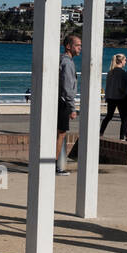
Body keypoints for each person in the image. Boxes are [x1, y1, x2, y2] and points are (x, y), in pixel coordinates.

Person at [56, 35, 82, 170]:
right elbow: (67, 87)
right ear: (68, 46)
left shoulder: (61, 60)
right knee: (61, 134)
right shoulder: (67, 62)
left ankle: (53, 164)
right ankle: (54, 165)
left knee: (57, 133)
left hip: (58, 101)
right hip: (63, 103)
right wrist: (72, 108)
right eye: (77, 45)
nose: (80, 48)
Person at [100, 53, 127, 137]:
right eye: (125, 60)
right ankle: (123, 137)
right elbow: (121, 87)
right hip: (119, 98)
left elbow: (107, 86)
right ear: (121, 61)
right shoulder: (122, 72)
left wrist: (106, 97)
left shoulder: (110, 72)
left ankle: (100, 133)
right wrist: (125, 94)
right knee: (124, 118)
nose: (126, 62)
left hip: (110, 97)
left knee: (109, 116)